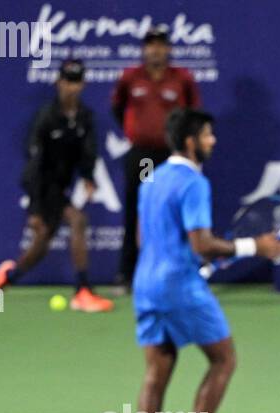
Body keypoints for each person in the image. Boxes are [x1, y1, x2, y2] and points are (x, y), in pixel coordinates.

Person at [128, 108, 280, 413]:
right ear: (190, 141)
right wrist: (254, 247)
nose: (212, 141)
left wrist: (179, 257)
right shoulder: (194, 183)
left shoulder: (151, 180)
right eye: (207, 135)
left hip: (146, 283)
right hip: (178, 286)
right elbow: (201, 243)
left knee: (157, 369)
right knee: (224, 359)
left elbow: (144, 238)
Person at [0, 59, 114, 311]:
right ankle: (82, 291)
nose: (71, 87)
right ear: (58, 82)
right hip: (42, 186)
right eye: (67, 81)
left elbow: (88, 153)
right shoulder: (46, 117)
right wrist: (36, 209)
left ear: (83, 84)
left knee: (40, 247)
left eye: (76, 81)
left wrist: (89, 177)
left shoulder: (85, 117)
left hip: (60, 188)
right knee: (77, 220)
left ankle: (4, 279)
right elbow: (33, 165)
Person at [111, 25, 201, 291]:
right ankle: (128, 276)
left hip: (171, 157)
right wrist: (137, 132)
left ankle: (184, 274)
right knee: (139, 210)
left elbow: (192, 116)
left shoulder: (182, 78)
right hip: (144, 158)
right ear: (144, 49)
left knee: (178, 212)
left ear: (169, 49)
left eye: (161, 44)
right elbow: (118, 108)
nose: (156, 50)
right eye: (151, 44)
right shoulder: (130, 77)